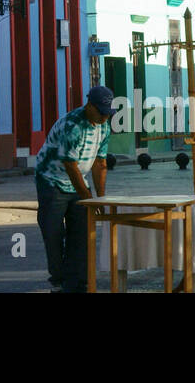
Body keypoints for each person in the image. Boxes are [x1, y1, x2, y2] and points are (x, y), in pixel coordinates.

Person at [34, 85, 116, 293]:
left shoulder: (104, 127)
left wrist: (100, 199)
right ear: (89, 105)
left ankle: (78, 283)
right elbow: (70, 166)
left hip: (78, 181)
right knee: (53, 232)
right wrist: (88, 198)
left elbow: (100, 163)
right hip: (51, 181)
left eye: (108, 113)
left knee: (81, 235)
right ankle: (59, 280)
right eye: (101, 112)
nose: (104, 118)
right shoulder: (73, 126)